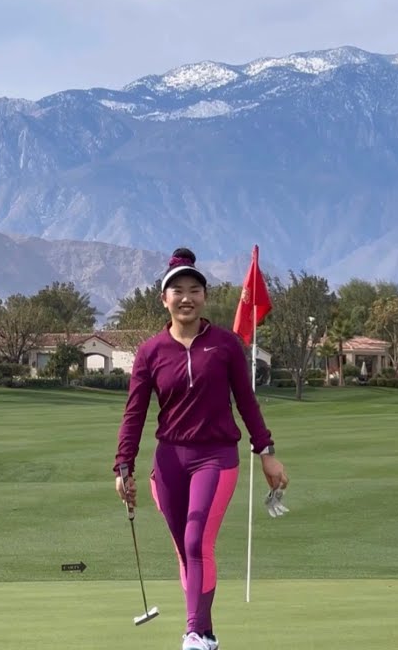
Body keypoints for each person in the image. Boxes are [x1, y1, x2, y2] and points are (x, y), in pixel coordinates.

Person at [114, 247, 289, 650]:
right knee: (184, 549)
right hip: (169, 461)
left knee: (197, 542)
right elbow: (134, 414)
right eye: (178, 290)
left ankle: (193, 632)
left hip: (216, 457)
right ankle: (206, 635)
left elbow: (246, 402)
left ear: (205, 296)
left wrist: (267, 452)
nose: (186, 297)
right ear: (164, 299)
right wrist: (123, 466)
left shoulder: (225, 345)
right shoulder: (150, 352)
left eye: (195, 289)